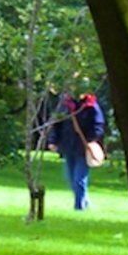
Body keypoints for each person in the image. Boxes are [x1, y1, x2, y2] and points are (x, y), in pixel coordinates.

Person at [38, 82, 106, 210]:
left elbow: (98, 125)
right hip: (68, 146)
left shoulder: (91, 105)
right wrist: (53, 141)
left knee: (79, 179)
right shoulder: (65, 104)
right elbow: (57, 123)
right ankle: (84, 202)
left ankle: (79, 207)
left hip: (83, 148)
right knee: (70, 178)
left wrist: (91, 140)